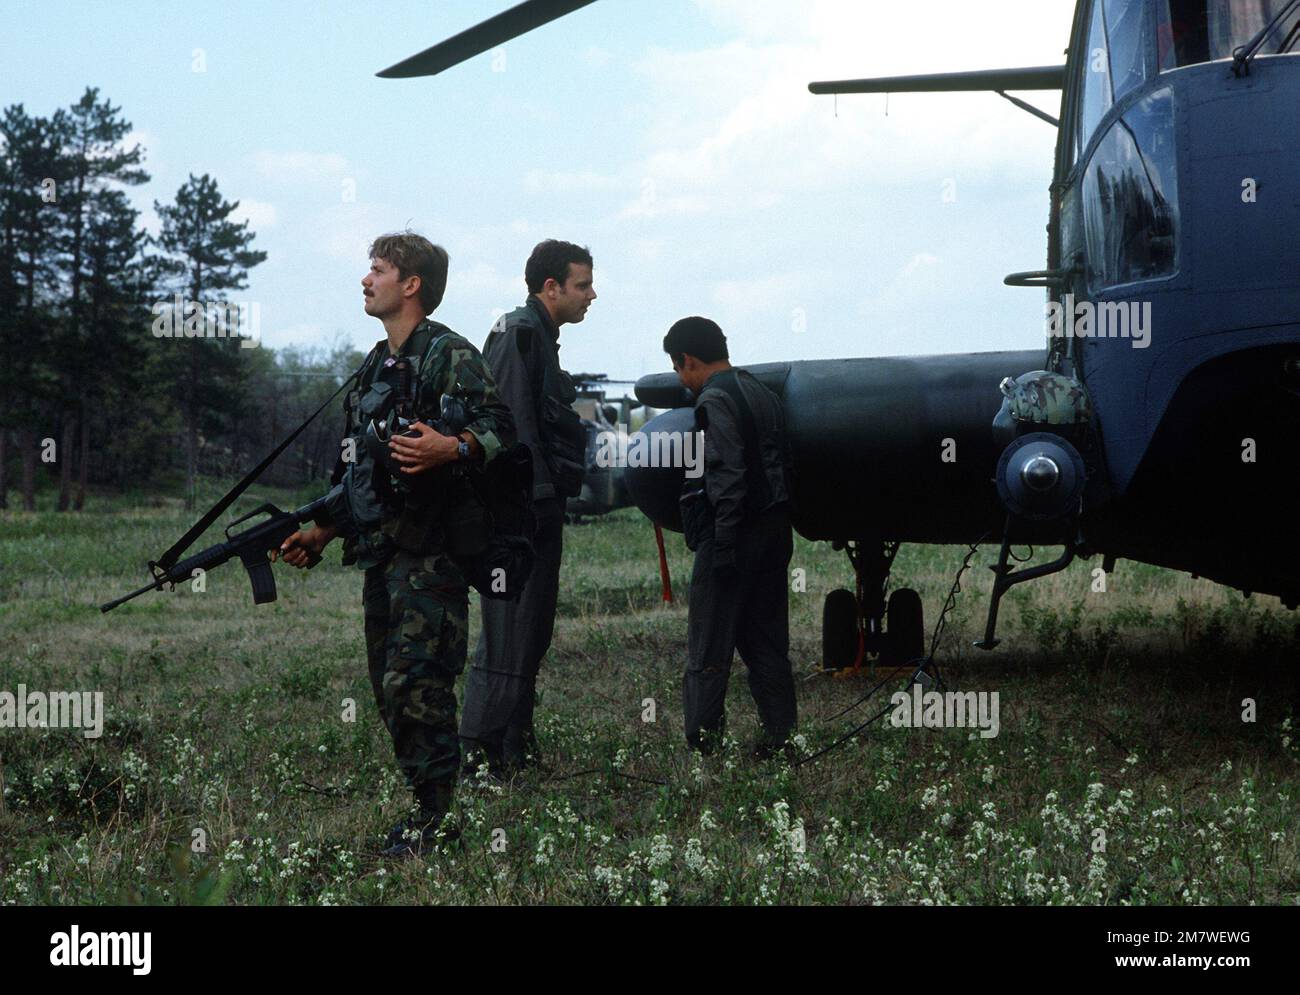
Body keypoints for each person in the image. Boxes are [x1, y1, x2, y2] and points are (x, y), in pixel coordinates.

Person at [275, 231, 513, 856]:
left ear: (411, 285)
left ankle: (437, 821)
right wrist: (324, 528)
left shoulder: (449, 354)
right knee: (390, 685)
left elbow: (501, 434)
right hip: (384, 552)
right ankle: (427, 806)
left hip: (432, 553)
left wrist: (452, 446)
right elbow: (364, 473)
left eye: (377, 269)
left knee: (418, 682)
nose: (365, 279)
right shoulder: (376, 364)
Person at [459, 239, 596, 775]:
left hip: (536, 505)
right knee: (510, 631)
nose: (591, 295)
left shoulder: (540, 334)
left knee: (529, 629)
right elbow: (511, 431)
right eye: (582, 285)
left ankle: (512, 745)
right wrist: (529, 509)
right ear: (551, 287)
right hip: (521, 510)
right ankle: (482, 753)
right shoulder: (520, 334)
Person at [663, 316, 797, 758]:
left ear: (688, 360)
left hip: (734, 535)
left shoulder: (715, 400)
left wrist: (721, 543)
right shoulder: (760, 390)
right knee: (767, 645)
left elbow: (727, 473)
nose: (682, 380)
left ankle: (705, 747)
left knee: (708, 645)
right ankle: (782, 739)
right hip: (775, 531)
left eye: (679, 368)